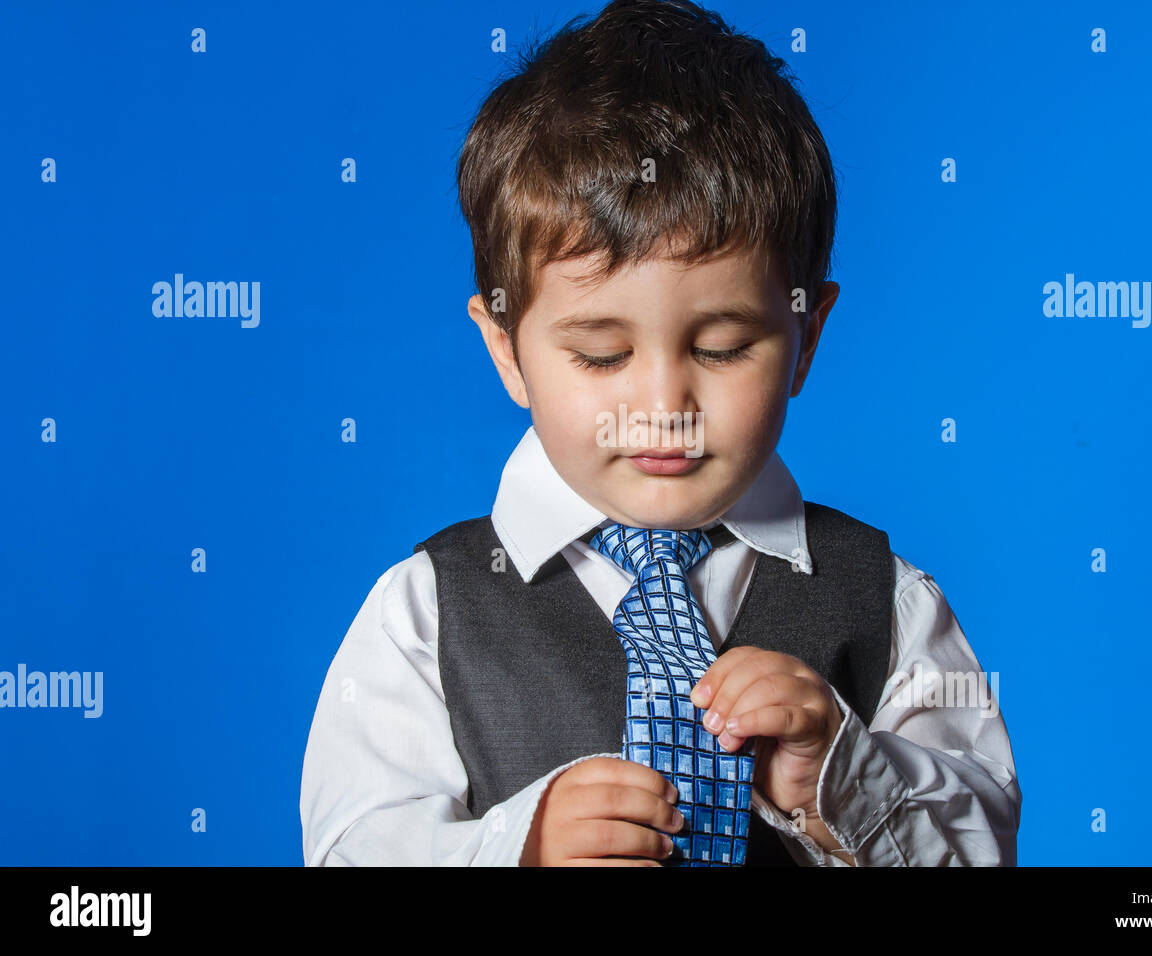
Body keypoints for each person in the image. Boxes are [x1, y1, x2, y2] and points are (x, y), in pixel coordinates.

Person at [300, 0, 1020, 866]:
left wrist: (841, 775)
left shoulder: (889, 603)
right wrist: (513, 849)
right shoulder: (425, 614)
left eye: (721, 348)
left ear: (805, 340)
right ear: (507, 352)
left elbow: (984, 851)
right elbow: (350, 849)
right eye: (601, 355)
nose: (661, 403)